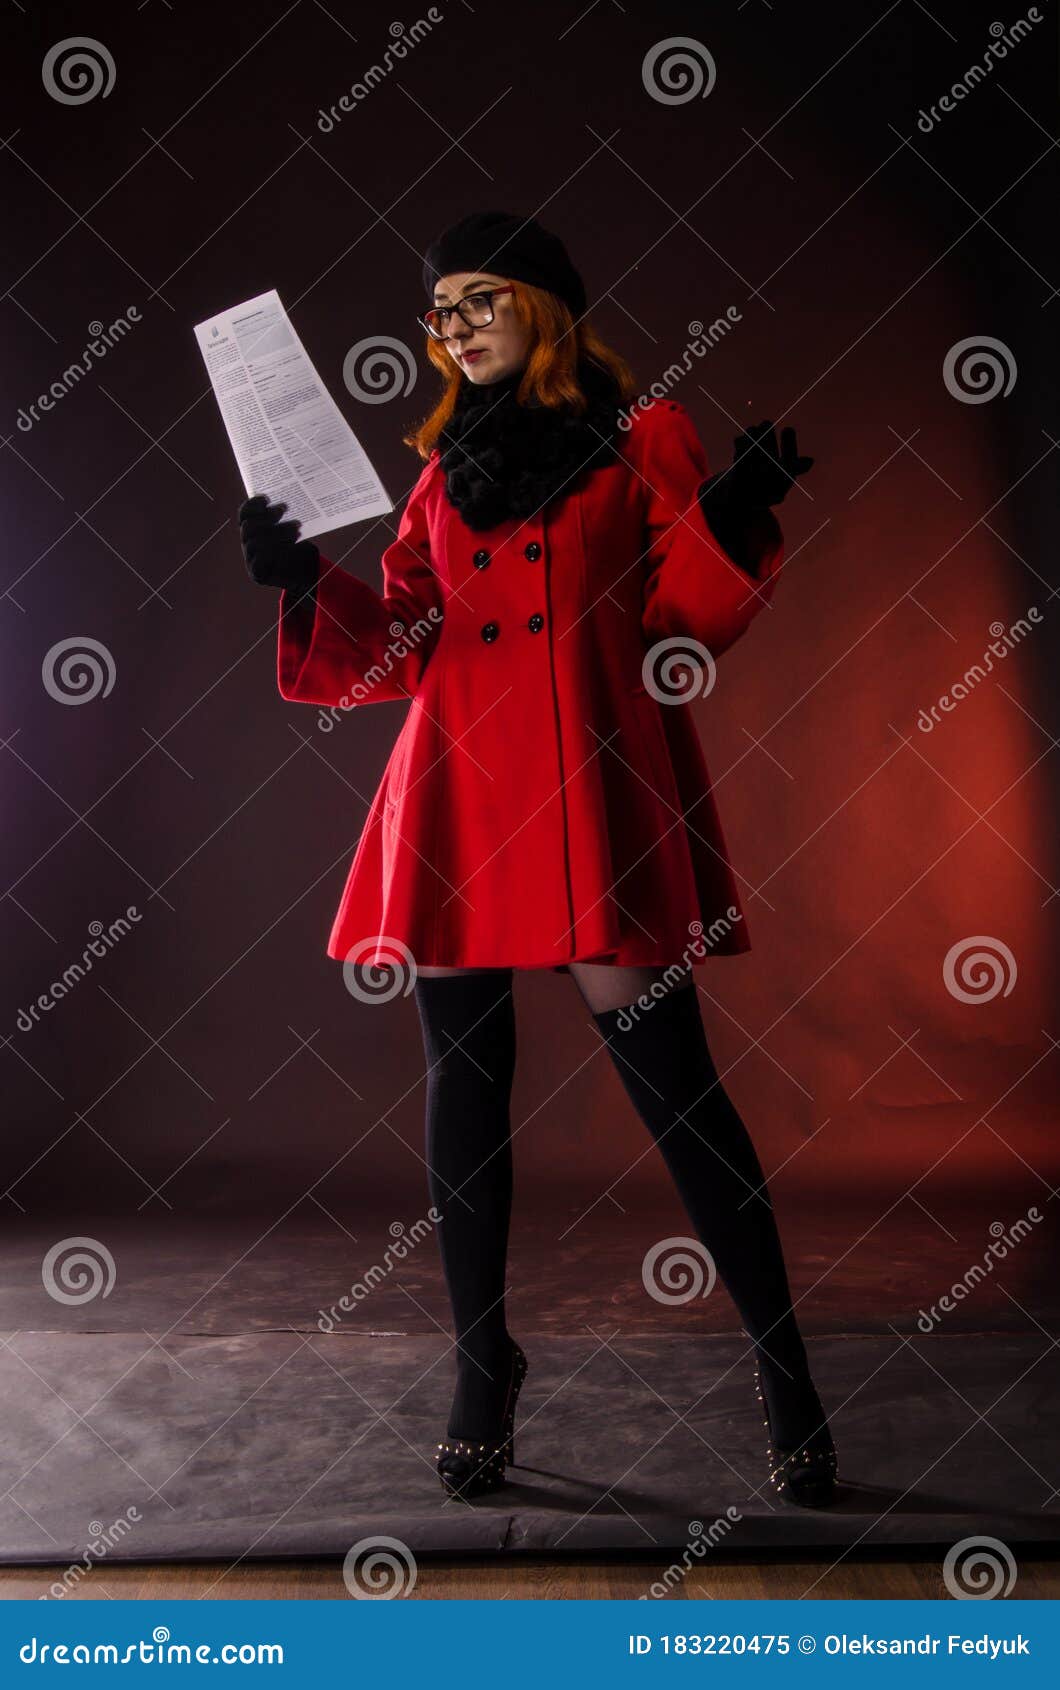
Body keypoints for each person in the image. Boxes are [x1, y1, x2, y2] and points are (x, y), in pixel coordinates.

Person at [238, 209, 837, 1508]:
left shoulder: (642, 438)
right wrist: (303, 585)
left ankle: (785, 1370)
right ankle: (481, 1365)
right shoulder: (445, 472)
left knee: (679, 1090)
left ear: (547, 306)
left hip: (590, 797)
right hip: (456, 797)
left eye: (475, 297)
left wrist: (729, 518)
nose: (450, 325)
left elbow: (681, 615)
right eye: (437, 308)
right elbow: (400, 638)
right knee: (463, 1091)